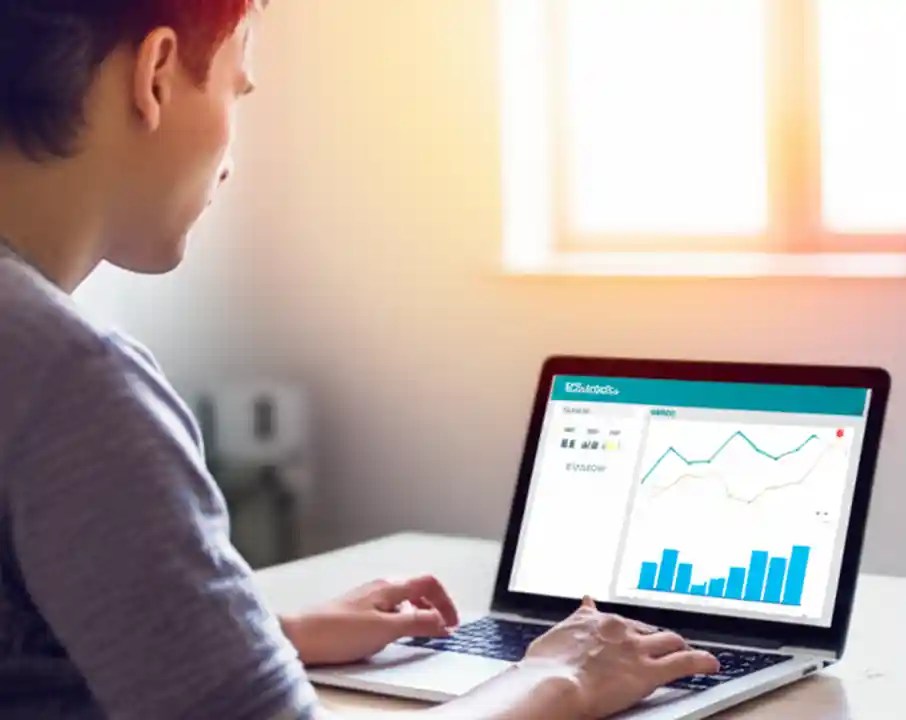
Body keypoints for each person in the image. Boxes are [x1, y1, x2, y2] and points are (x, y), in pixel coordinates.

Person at [0, 2, 718, 718]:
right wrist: (561, 677)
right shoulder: (69, 379)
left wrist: (261, 639)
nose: (229, 164)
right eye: (235, 92)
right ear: (155, 76)